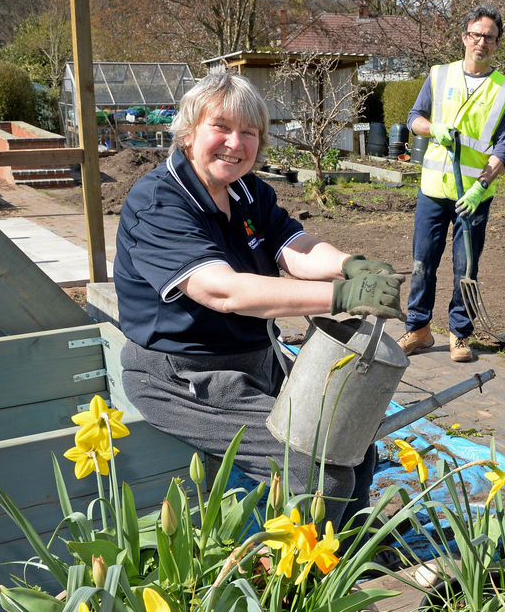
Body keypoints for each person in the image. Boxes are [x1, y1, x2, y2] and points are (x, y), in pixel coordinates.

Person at [114, 71, 402, 531]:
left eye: (248, 132)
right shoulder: (159, 202)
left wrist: (352, 265)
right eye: (221, 128)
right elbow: (224, 291)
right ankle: (301, 581)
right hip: (186, 376)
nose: (235, 143)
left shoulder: (248, 192)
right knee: (317, 470)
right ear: (189, 132)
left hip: (256, 362)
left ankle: (351, 555)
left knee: (351, 439)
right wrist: (342, 295)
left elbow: (295, 246)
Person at [398, 4, 505, 363]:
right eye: (476, 35)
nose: (481, 42)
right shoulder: (439, 75)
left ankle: (459, 334)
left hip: (473, 196)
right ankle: (418, 329)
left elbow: (503, 147)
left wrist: (482, 185)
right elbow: (413, 118)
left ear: (497, 44)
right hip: (435, 189)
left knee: (466, 267)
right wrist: (433, 128)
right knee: (423, 262)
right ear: (465, 37)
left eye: (490, 37)